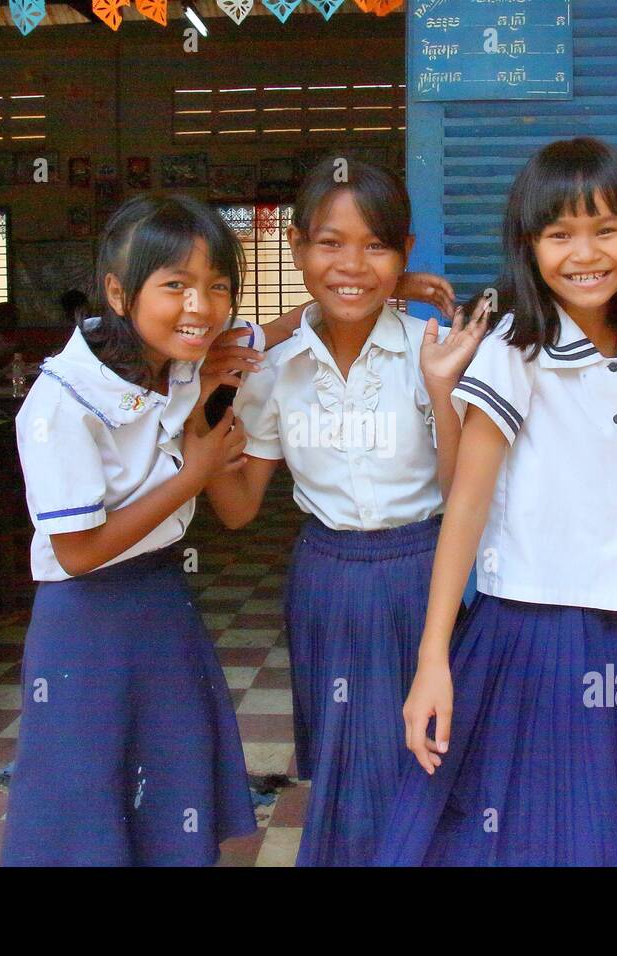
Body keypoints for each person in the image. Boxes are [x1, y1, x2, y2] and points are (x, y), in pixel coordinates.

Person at [377, 138, 617, 866]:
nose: (583, 253)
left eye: (605, 230)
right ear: (529, 247)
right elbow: (465, 505)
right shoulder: (516, 355)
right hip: (533, 641)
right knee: (539, 834)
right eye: (558, 234)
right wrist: (434, 657)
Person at [201, 158, 486, 866]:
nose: (351, 265)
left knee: (428, 761)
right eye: (330, 244)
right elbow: (238, 511)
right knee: (345, 767)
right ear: (296, 248)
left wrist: (443, 391)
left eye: (376, 247)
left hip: (424, 577)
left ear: (405, 253)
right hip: (326, 583)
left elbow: (461, 495)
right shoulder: (274, 368)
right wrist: (197, 438)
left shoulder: (430, 351)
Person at [0, 194, 257, 866]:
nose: (201, 307)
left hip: (161, 604)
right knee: (84, 797)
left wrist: (390, 283)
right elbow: (77, 551)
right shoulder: (61, 401)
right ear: (117, 291)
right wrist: (194, 472)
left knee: (171, 794)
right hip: (86, 625)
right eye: (176, 285)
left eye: (219, 286)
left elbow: (277, 330)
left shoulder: (175, 362)